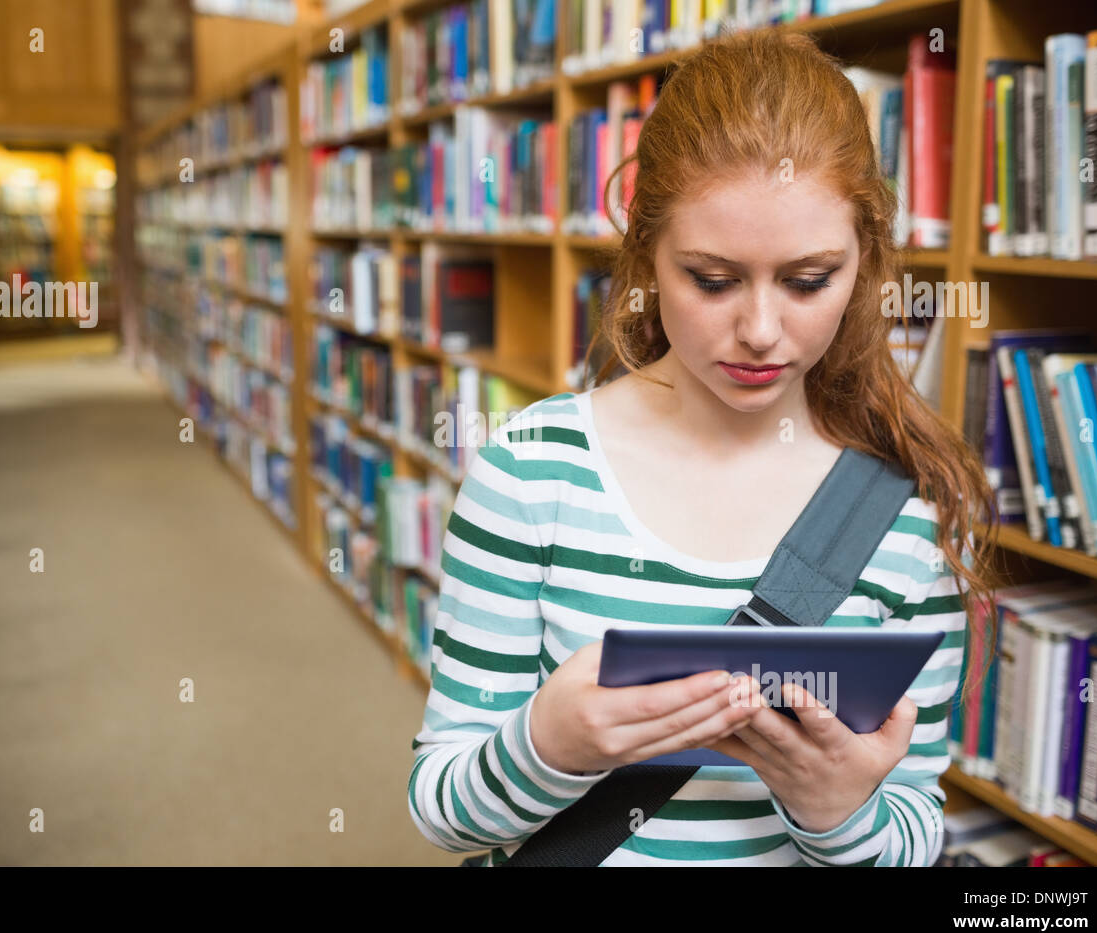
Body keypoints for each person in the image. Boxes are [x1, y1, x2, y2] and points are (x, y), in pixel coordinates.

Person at [407, 28, 997, 866]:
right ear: (647, 251)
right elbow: (442, 811)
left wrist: (837, 813)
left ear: (864, 263)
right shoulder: (533, 469)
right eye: (712, 280)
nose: (759, 332)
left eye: (807, 280)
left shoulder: (912, 512)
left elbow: (914, 831)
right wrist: (546, 745)